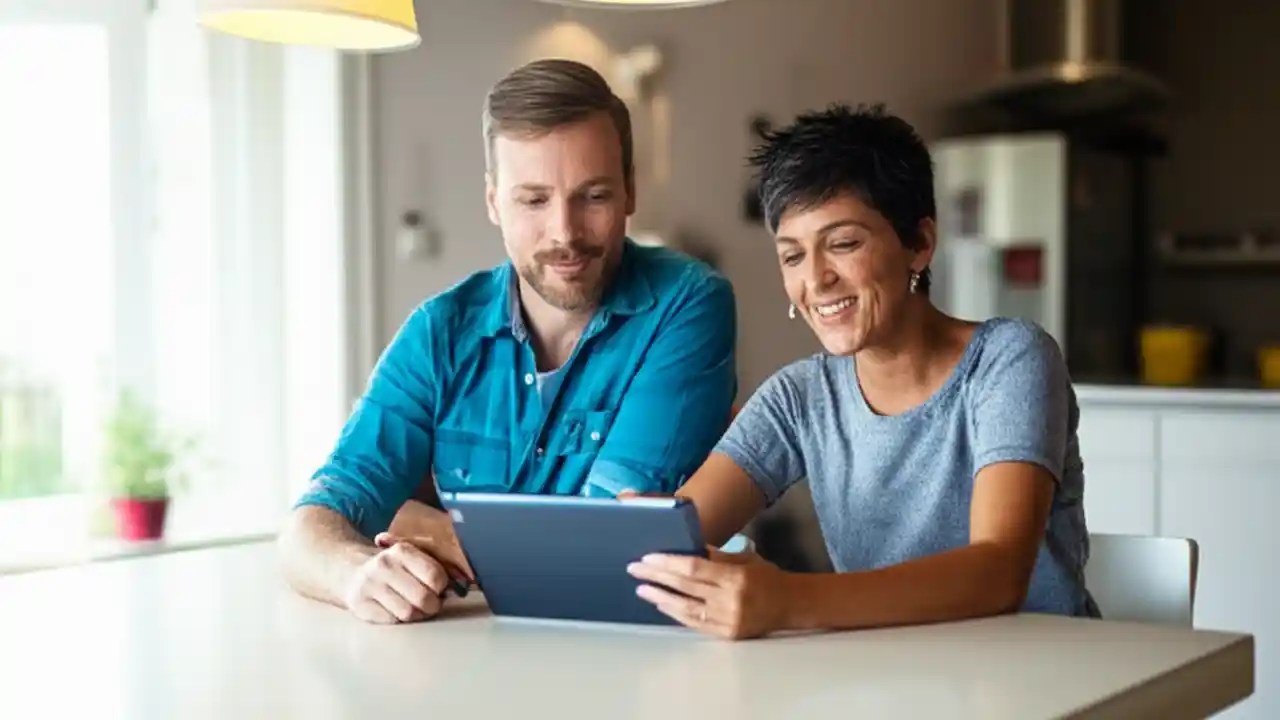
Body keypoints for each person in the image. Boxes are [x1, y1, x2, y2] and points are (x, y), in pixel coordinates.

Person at [279, 59, 737, 625]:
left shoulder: (688, 303)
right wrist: (354, 574)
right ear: (494, 201)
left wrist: (426, 526)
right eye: (533, 200)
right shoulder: (438, 330)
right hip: (474, 655)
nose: (565, 233)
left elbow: (602, 548)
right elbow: (312, 524)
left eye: (592, 196)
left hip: (636, 649)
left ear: (630, 191)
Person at [627, 104, 1097, 640]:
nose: (816, 280)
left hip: (1039, 679)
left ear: (919, 244)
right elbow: (677, 533)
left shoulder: (1009, 360)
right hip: (891, 684)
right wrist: (640, 532)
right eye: (792, 256)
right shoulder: (799, 397)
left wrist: (788, 599)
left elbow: (997, 573)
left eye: (844, 244)